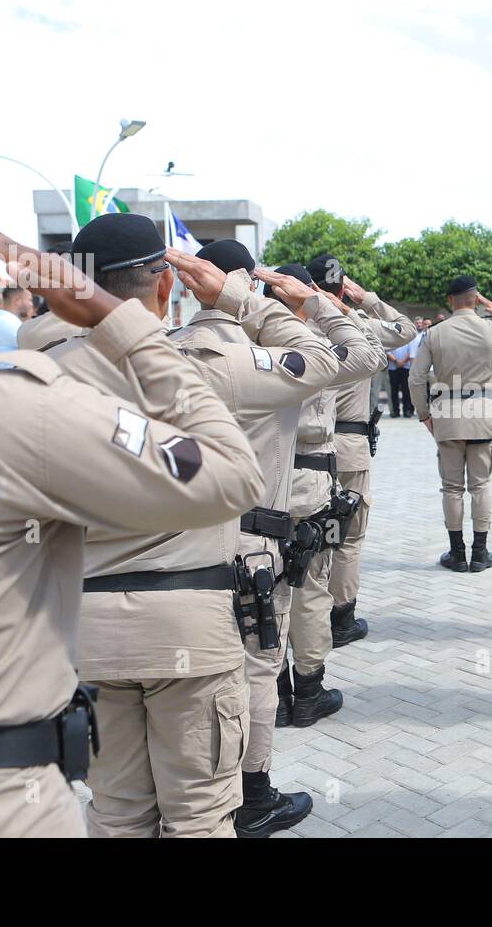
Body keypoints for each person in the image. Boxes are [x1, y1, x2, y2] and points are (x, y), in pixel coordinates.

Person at [0, 102, 264, 836]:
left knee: (122, 813)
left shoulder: (21, 369)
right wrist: (111, 316)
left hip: (95, 648)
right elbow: (227, 472)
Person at [26, 214, 328, 838]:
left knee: (115, 813)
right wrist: (238, 297)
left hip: (86, 631)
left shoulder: (31, 372)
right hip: (189, 623)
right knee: (197, 818)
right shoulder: (205, 364)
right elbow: (335, 351)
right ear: (167, 287)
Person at [166, 239, 342, 837]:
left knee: (192, 681)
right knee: (258, 672)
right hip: (252, 545)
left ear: (189, 284)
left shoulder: (160, 354)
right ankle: (252, 794)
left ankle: (194, 799)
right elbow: (346, 353)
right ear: (244, 284)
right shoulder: (259, 355)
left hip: (178, 545)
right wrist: (261, 304)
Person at [273, 263, 384, 729]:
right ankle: (309, 691)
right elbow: (371, 351)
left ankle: (274, 694)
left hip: (252, 487)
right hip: (307, 484)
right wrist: (321, 302)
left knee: (260, 590)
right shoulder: (316, 349)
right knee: (310, 587)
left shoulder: (242, 345)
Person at [307, 254, 415, 649]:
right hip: (349, 447)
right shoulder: (360, 325)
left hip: (301, 448)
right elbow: (405, 330)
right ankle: (341, 618)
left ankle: (306, 614)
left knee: (311, 532)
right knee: (348, 537)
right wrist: (365, 297)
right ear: (341, 287)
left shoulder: (293, 326)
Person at [409, 274, 492, 572]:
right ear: (476, 298)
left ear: (450, 300)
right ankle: (480, 554)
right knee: (481, 486)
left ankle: (457, 554)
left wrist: (424, 415)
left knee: (452, 488)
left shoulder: (435, 333)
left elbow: (416, 378)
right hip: (482, 412)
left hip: (447, 414)